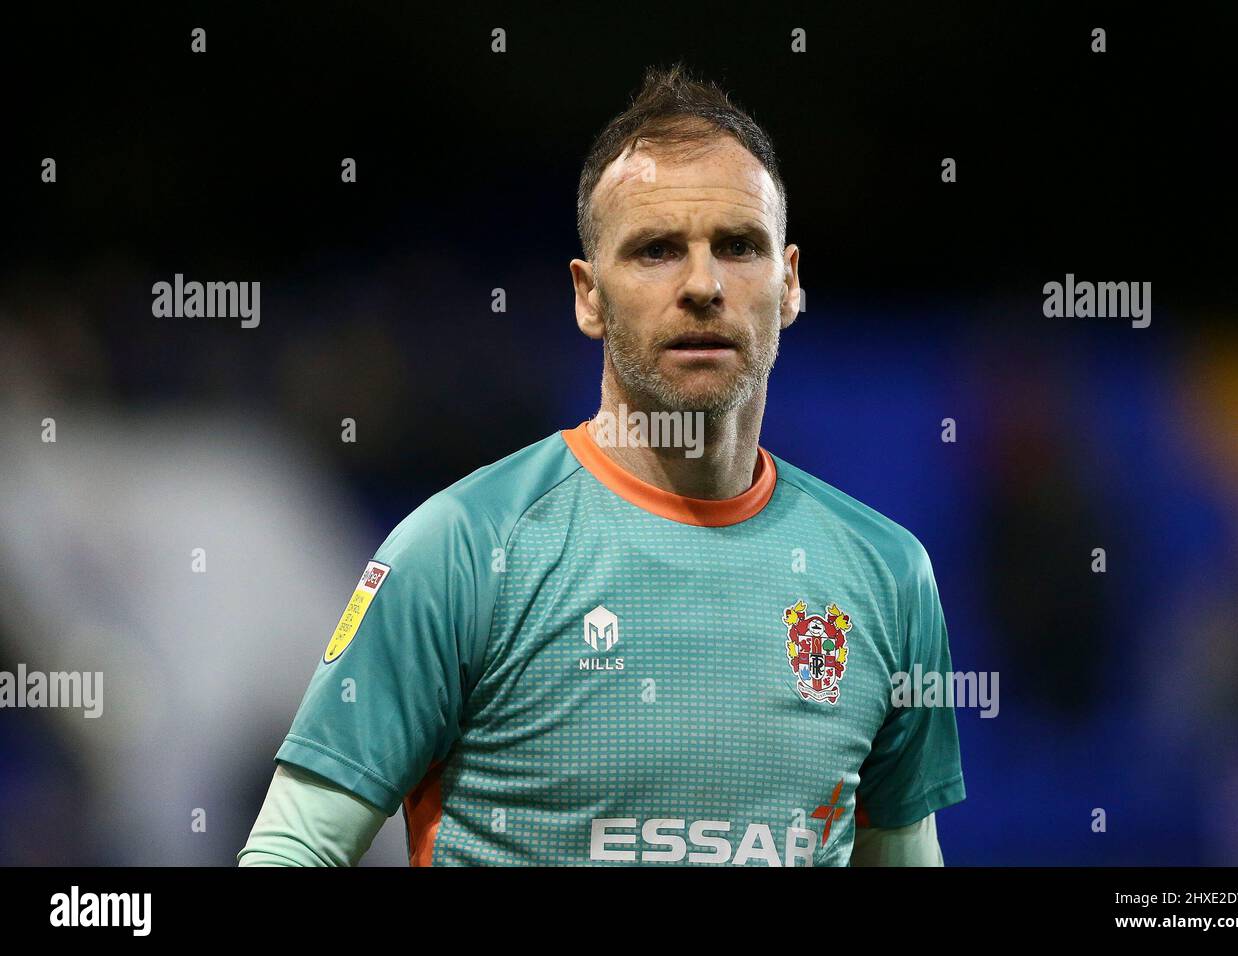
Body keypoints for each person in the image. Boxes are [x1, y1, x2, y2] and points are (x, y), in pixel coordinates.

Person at [239, 62, 964, 867]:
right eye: (656, 250)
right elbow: (291, 852)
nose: (702, 284)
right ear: (589, 296)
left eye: (738, 246)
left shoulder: (889, 577)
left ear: (788, 283)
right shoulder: (460, 549)